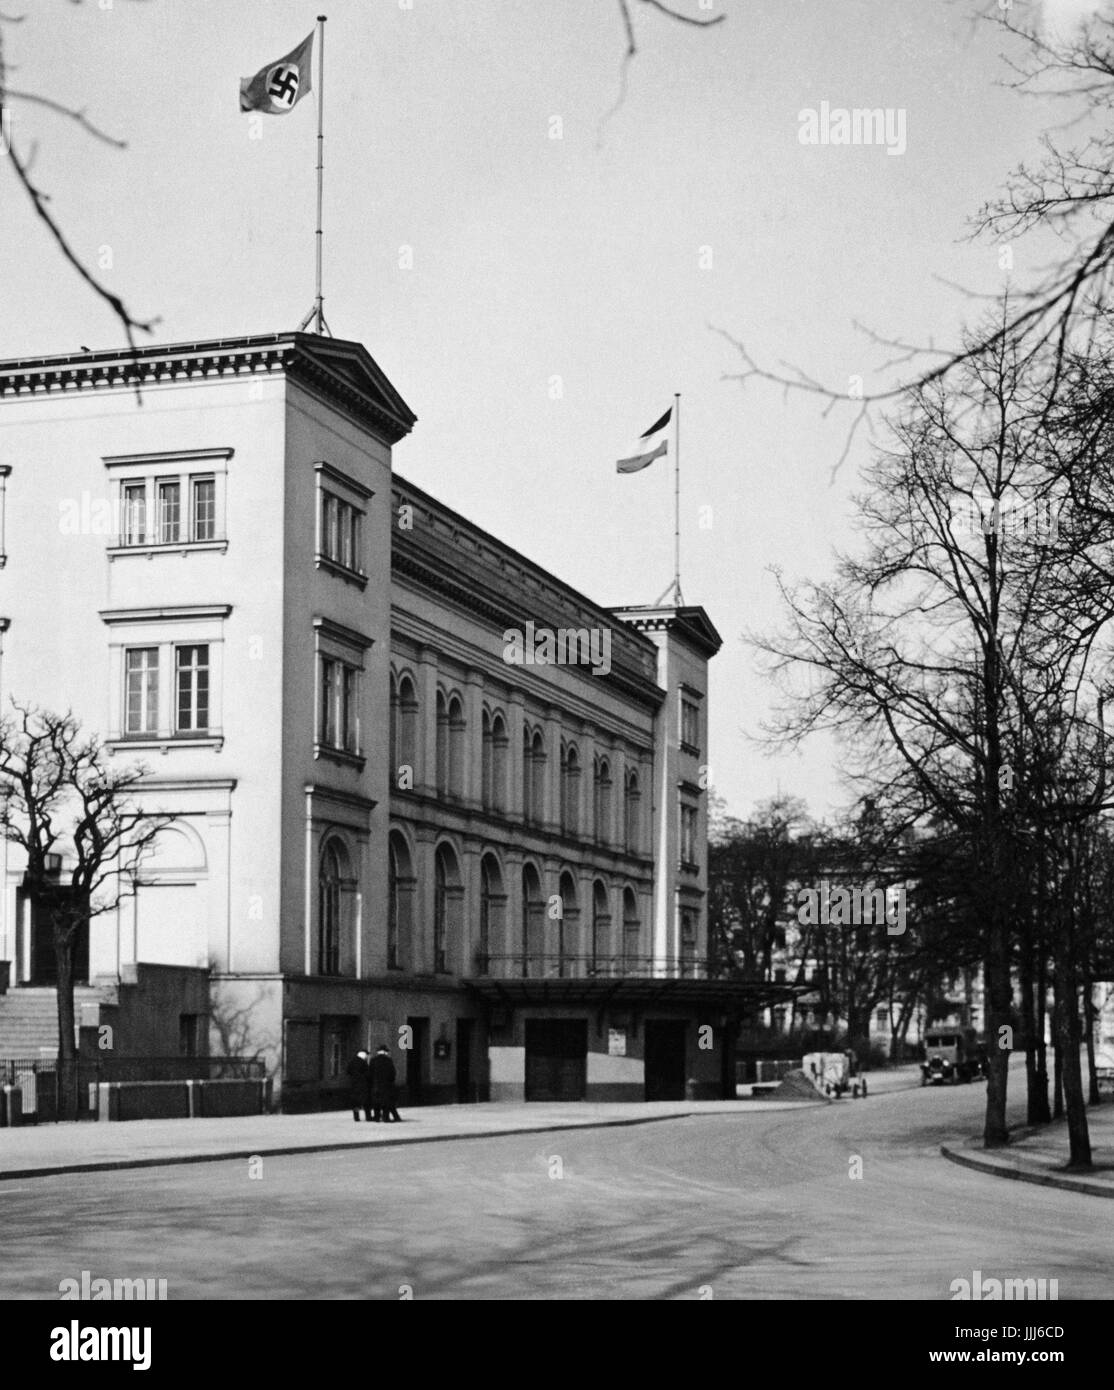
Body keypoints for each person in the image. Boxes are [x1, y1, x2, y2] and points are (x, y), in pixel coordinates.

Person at [369, 1044, 401, 1123]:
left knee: (376, 1102)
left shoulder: (373, 1060)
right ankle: (386, 1118)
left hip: (376, 1085)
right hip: (386, 1085)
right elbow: (392, 1073)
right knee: (386, 1102)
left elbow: (370, 1073)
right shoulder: (388, 1060)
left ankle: (376, 1118)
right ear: (385, 1052)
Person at [346, 1048, 371, 1122]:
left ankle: (356, 1117)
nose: (366, 1057)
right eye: (366, 1055)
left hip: (353, 1085)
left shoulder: (352, 1061)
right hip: (363, 1085)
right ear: (363, 1054)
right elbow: (367, 1074)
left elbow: (348, 1071)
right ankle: (368, 1116)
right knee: (366, 1101)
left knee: (355, 1102)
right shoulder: (363, 1063)